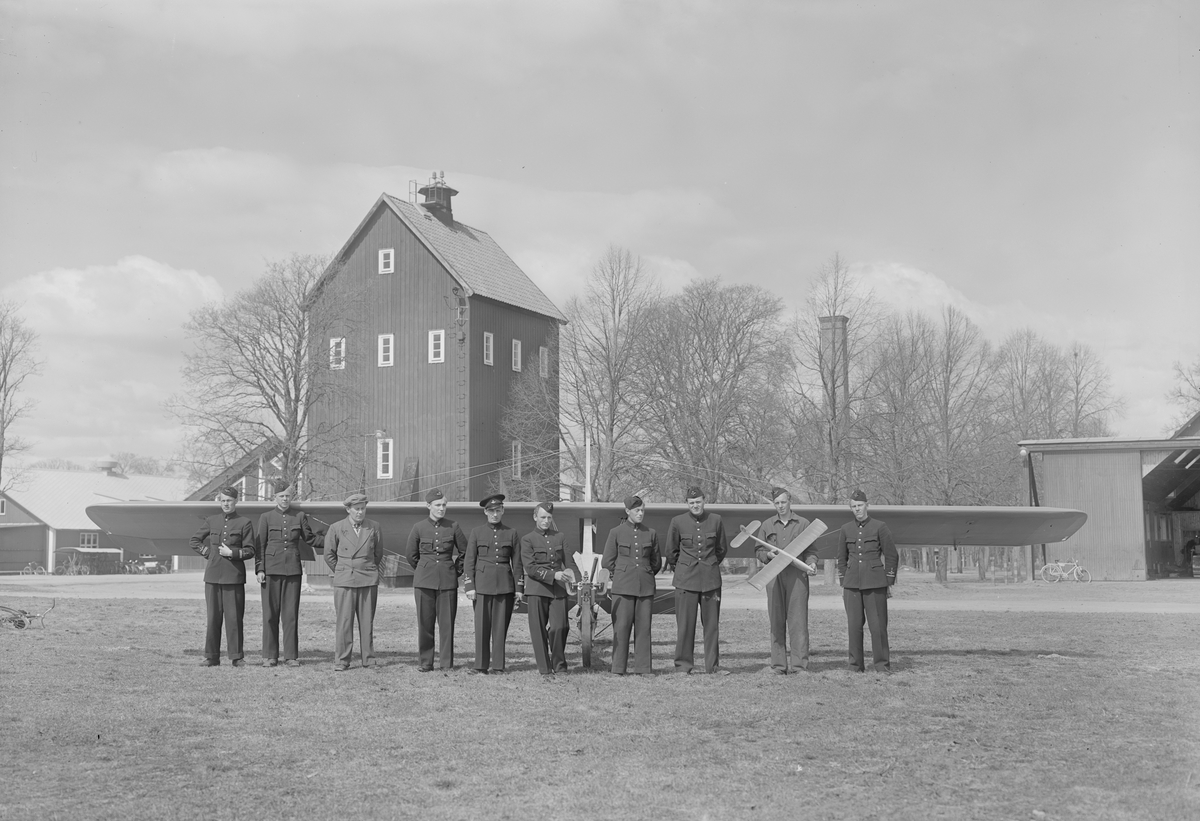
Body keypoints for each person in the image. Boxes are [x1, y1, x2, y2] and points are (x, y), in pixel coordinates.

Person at [254, 481, 321, 667]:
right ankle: (270, 656)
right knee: (270, 614)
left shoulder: (299, 516)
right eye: (281, 496)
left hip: (292, 570)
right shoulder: (266, 517)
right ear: (274, 497)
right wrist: (260, 569)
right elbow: (260, 545)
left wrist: (334, 538)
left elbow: (310, 538)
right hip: (270, 570)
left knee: (290, 615)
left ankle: (291, 656)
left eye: (287, 496)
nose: (285, 499)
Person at [188, 486, 256, 667]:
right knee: (213, 618)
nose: (226, 504)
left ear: (236, 501)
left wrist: (232, 553)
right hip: (213, 577)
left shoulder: (244, 523)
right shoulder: (212, 520)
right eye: (223, 500)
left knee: (234, 619)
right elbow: (194, 540)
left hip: (233, 577)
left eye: (229, 501)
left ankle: (236, 657)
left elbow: (250, 550)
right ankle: (211, 656)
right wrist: (208, 553)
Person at [755, 487, 819, 674]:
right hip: (774, 577)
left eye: (783, 502)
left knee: (798, 621)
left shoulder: (803, 524)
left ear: (790, 502)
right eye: (777, 503)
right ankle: (778, 665)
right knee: (776, 621)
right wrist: (768, 555)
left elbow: (811, 551)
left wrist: (812, 563)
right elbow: (758, 550)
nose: (780, 506)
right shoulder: (767, 525)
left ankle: (799, 666)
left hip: (796, 577)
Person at [666, 486, 728, 674]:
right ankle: (683, 666)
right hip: (686, 581)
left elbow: (721, 549)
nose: (695, 505)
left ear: (704, 501)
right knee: (685, 626)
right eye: (691, 502)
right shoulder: (677, 522)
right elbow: (671, 552)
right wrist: (683, 569)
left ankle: (713, 667)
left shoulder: (716, 520)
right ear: (687, 503)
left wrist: (708, 565)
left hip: (710, 581)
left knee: (711, 626)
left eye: (698, 502)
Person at [836, 489, 898, 673]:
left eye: (860, 505)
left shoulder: (880, 527)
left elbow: (891, 555)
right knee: (854, 626)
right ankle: (855, 665)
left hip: (875, 583)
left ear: (867, 506)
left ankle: (882, 665)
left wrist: (888, 580)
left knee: (878, 627)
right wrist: (844, 580)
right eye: (854, 506)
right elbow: (841, 558)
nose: (857, 509)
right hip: (852, 584)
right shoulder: (846, 529)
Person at [405, 489, 466, 672]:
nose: (441, 508)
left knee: (447, 624)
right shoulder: (418, 527)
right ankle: (426, 662)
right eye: (438, 505)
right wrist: (424, 569)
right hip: (424, 582)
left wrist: (455, 571)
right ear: (428, 506)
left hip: (447, 581)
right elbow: (411, 555)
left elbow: (465, 551)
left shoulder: (453, 526)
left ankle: (446, 663)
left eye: (444, 505)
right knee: (425, 623)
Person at [601, 494, 660, 676]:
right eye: (637, 510)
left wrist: (643, 573)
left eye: (642, 510)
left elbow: (656, 562)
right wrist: (622, 573)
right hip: (623, 588)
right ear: (627, 511)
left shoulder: (651, 533)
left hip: (645, 587)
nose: (640, 513)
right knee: (621, 628)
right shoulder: (616, 532)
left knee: (644, 628)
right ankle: (618, 668)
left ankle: (643, 668)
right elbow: (607, 561)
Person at [463, 493, 522, 675]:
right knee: (481, 627)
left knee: (500, 627)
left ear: (503, 511)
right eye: (491, 511)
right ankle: (480, 665)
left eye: (498, 510)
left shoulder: (511, 533)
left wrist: (519, 589)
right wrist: (469, 586)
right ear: (485, 512)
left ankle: (498, 665)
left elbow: (517, 563)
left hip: (504, 585)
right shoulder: (477, 532)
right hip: (482, 586)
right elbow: (469, 561)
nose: (495, 514)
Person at [324, 493, 384, 671]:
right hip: (345, 580)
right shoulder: (336, 528)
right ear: (348, 510)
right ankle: (342, 660)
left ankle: (369, 659)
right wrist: (343, 570)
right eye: (356, 509)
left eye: (363, 509)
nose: (360, 512)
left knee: (367, 622)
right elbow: (329, 554)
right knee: (344, 622)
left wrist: (366, 568)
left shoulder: (374, 527)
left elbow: (378, 553)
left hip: (367, 579)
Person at [520, 501, 574, 677]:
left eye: (549, 518)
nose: (546, 521)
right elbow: (530, 568)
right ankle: (544, 668)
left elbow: (569, 562)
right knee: (538, 630)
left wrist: (575, 578)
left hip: (558, 589)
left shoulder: (560, 537)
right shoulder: (527, 539)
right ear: (535, 517)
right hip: (537, 589)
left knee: (561, 626)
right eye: (543, 517)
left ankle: (559, 664)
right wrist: (553, 575)